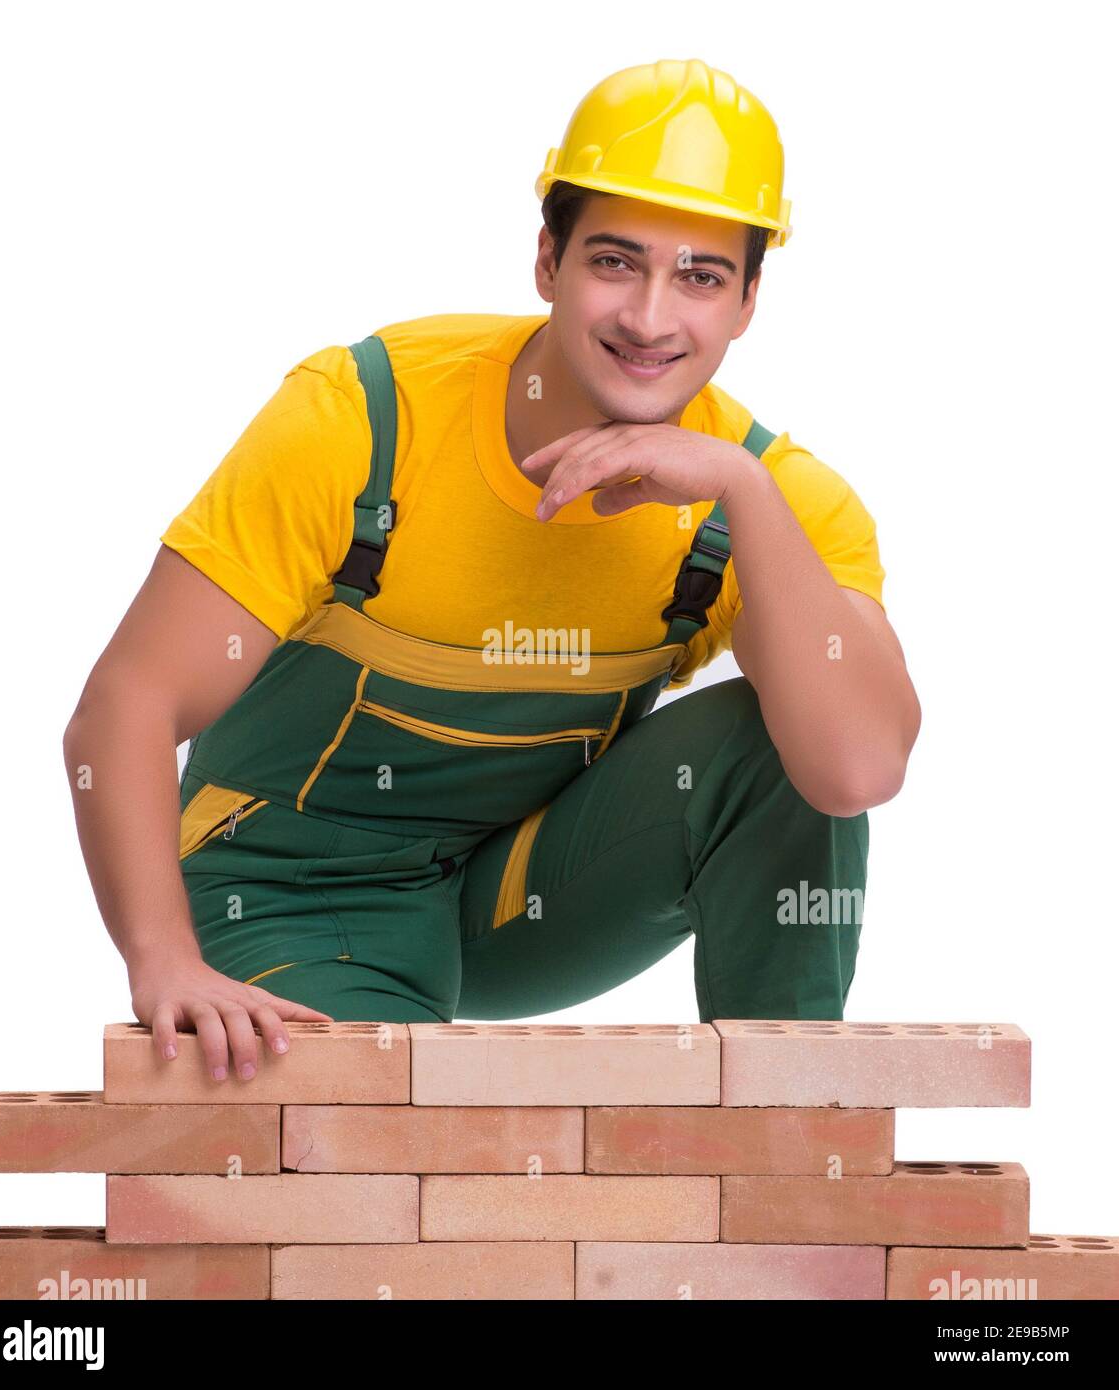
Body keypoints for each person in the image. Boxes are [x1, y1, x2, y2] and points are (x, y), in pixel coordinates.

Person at [63, 57, 920, 1083]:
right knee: (370, 1147)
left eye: (699, 275)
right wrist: (161, 960)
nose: (649, 318)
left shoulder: (771, 497)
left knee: (771, 738)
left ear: (746, 302)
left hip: (512, 895)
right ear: (546, 258)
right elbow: (124, 704)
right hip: (289, 898)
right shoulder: (369, 419)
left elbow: (854, 769)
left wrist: (740, 491)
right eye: (614, 260)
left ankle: (788, 1149)